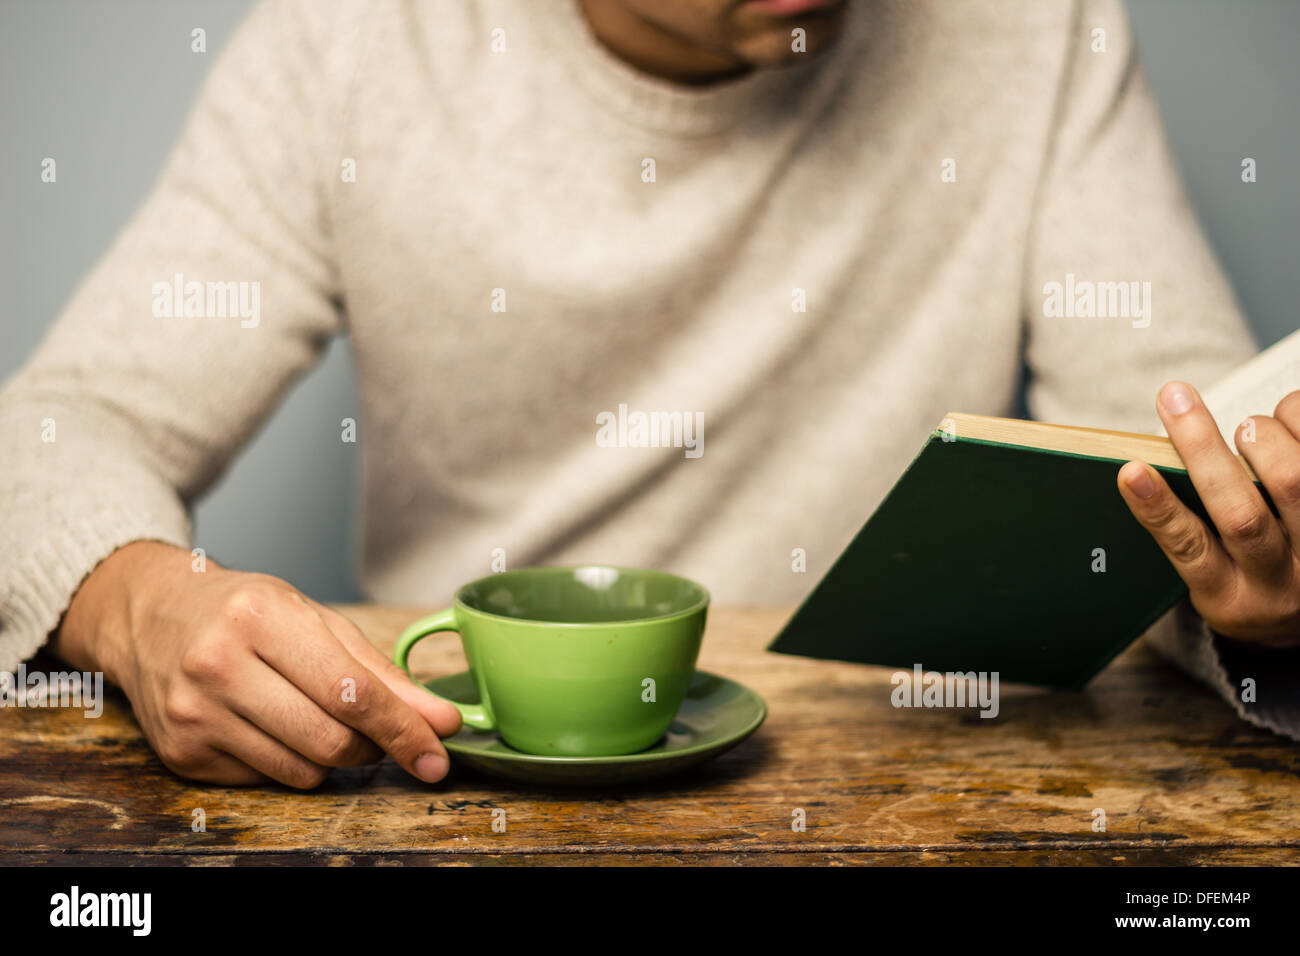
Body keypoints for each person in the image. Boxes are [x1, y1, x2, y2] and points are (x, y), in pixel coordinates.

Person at [2, 0, 1297, 789]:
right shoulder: (343, 47)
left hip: (921, 772)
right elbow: (58, 430)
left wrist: (1257, 598)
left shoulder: (1036, 28)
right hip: (460, 787)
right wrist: (142, 603)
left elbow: (1170, 458)